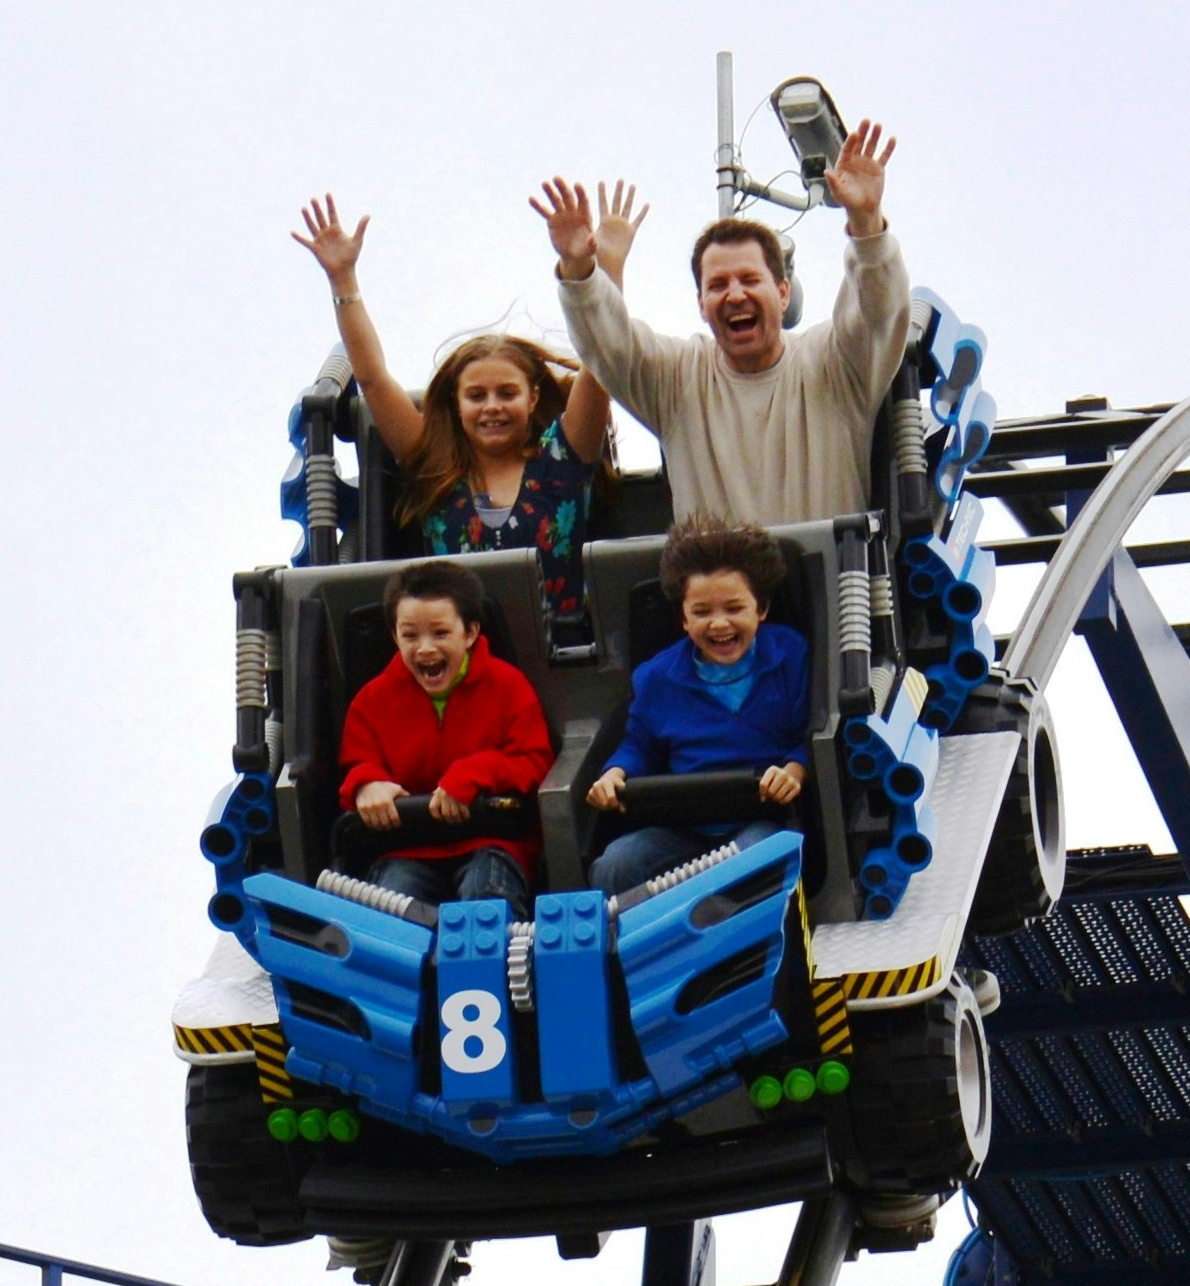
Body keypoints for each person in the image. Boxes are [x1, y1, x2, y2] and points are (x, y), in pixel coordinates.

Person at [292, 193, 645, 631]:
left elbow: (601, 358)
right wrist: (343, 280)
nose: (492, 407)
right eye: (477, 396)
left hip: (562, 655)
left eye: (506, 393)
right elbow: (373, 377)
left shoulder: (563, 461)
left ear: (532, 399)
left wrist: (602, 268)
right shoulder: (438, 472)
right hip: (464, 662)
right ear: (456, 406)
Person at [532, 121, 908, 523]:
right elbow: (608, 344)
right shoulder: (678, 378)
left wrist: (867, 224)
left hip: (833, 583)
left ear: (783, 293)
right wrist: (579, 268)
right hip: (717, 585)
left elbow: (879, 312)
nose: (734, 295)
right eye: (717, 284)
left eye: (749, 279)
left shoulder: (836, 365)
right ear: (700, 303)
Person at [586, 519, 812, 897]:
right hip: (685, 824)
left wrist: (794, 770)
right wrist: (615, 774)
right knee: (615, 865)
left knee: (753, 858)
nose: (719, 623)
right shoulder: (657, 677)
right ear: (684, 619)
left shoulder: (789, 654)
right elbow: (639, 744)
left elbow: (810, 730)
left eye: (734, 608)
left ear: (761, 609)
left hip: (763, 818)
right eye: (702, 612)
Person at [335, 559, 554, 915]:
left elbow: (534, 762)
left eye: (439, 633)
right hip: (407, 850)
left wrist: (474, 774)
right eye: (410, 635)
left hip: (491, 842)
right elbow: (355, 766)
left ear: (469, 633)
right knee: (393, 909)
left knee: (486, 900)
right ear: (394, 637)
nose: (425, 649)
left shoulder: (507, 686)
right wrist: (366, 785)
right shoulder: (371, 702)